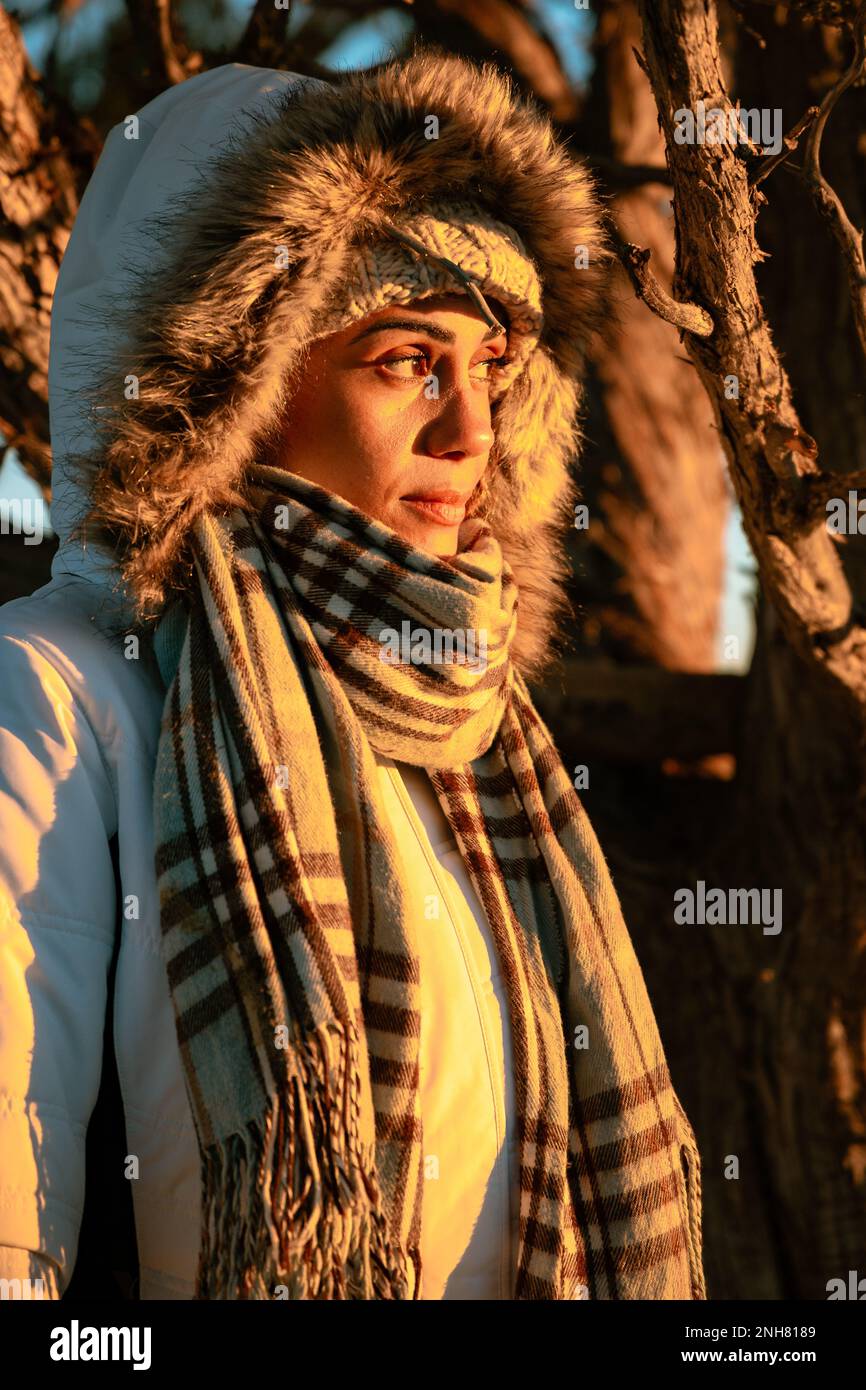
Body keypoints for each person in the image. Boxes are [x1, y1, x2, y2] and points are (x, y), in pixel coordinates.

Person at [0, 46, 706, 1301]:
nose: (469, 431)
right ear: (238, 389)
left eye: (490, 368)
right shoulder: (65, 694)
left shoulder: (477, 728)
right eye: (403, 360)